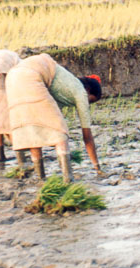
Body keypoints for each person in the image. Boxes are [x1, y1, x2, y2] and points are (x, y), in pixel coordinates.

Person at [5, 53, 101, 181]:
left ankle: (41, 179)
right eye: (90, 100)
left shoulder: (64, 86)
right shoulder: (80, 91)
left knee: (34, 128)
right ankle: (68, 180)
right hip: (31, 75)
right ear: (88, 90)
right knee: (60, 132)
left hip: (12, 77)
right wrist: (97, 168)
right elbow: (87, 136)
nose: (88, 103)